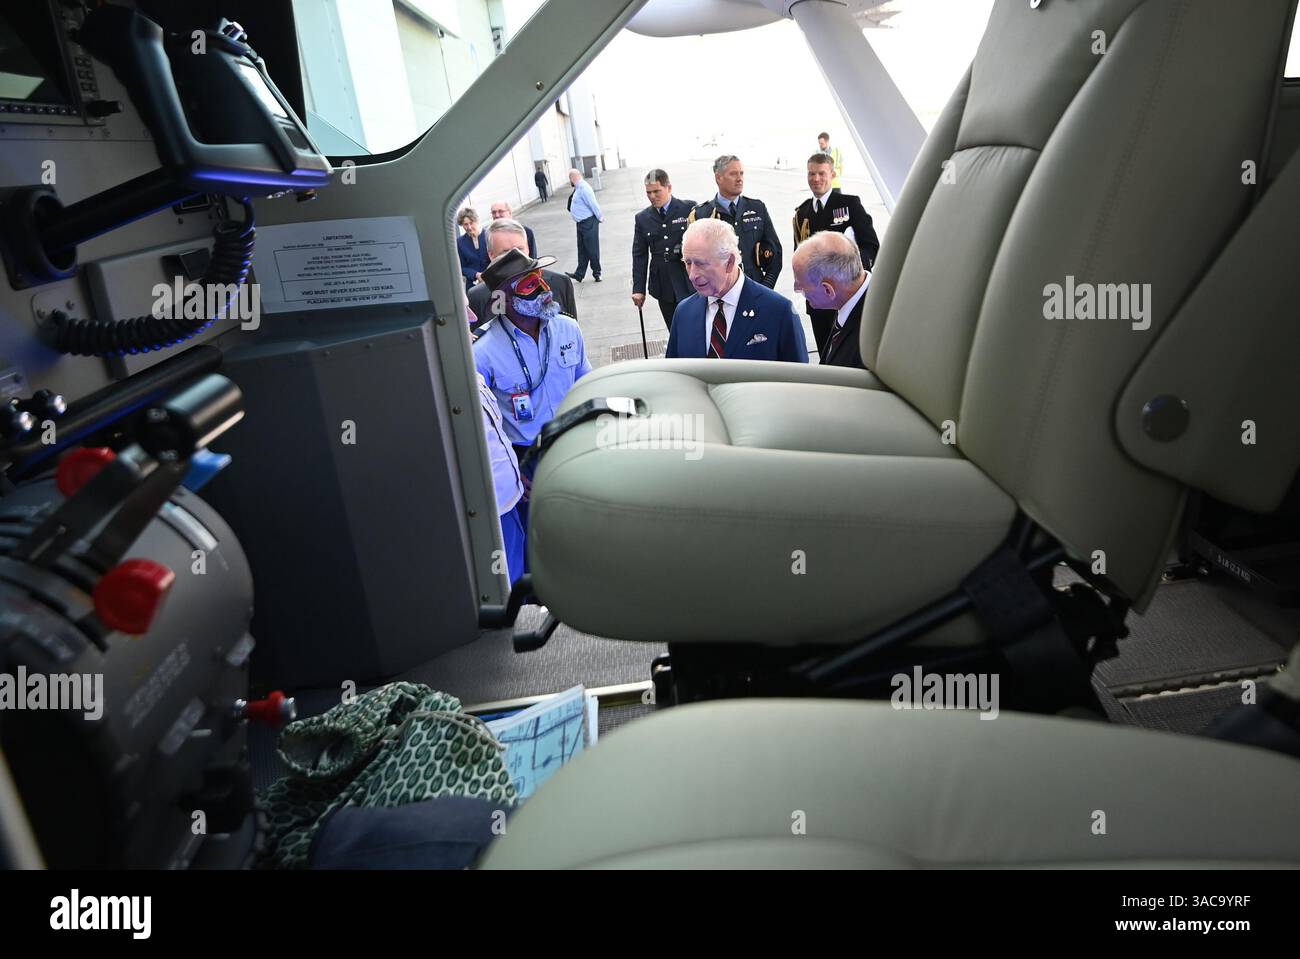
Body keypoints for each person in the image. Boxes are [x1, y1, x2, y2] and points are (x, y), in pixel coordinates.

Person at [474, 248, 591, 561]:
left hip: (574, 445)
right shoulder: (482, 353)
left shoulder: (568, 329)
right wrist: (510, 472)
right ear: (505, 299)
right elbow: (479, 425)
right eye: (529, 285)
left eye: (541, 277)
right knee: (543, 544)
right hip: (526, 460)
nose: (545, 289)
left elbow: (587, 384)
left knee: (585, 530)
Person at [666, 218, 807, 362]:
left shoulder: (779, 311)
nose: (692, 275)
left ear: (730, 262)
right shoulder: (684, 313)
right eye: (688, 263)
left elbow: (798, 378)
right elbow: (675, 376)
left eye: (701, 264)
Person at [792, 152, 880, 351]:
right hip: (817, 300)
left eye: (822, 174)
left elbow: (871, 246)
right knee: (826, 352)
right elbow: (799, 254)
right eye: (811, 174)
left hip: (845, 295)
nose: (816, 179)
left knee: (850, 351)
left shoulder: (849, 205)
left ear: (832, 174)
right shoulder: (802, 213)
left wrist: (850, 275)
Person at [688, 155, 782, 288]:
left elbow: (776, 254)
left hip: (755, 286)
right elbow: (694, 261)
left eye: (741, 174)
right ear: (718, 177)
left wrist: (764, 289)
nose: (739, 179)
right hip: (720, 291)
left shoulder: (757, 208)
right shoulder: (702, 215)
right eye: (733, 174)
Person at [466, 218, 576, 327]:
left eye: (520, 249)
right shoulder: (479, 297)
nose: (516, 257)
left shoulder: (560, 283)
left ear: (528, 248)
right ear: (491, 255)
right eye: (506, 252)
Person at [792, 231, 870, 370]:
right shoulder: (850, 301)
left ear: (828, 290)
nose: (796, 289)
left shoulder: (871, 336)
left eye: (802, 288)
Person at [631, 169, 695, 331]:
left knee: (696, 328)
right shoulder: (642, 218)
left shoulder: (689, 209)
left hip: (689, 280)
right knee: (674, 329)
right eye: (648, 193)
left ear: (669, 188)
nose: (652, 196)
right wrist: (638, 289)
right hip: (663, 284)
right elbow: (640, 255)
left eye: (656, 191)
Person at [565, 168, 603, 283]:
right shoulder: (578, 188)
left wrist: (600, 216)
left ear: (572, 178)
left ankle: (597, 273)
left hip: (589, 222)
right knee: (582, 249)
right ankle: (579, 274)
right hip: (581, 224)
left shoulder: (584, 188)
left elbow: (593, 203)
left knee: (592, 249)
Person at [455, 207, 489, 291]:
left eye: (471, 223)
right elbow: (461, 266)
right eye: (465, 224)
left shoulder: (489, 235)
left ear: (477, 221)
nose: (469, 227)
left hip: (492, 281)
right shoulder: (460, 242)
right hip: (473, 285)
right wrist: (476, 274)